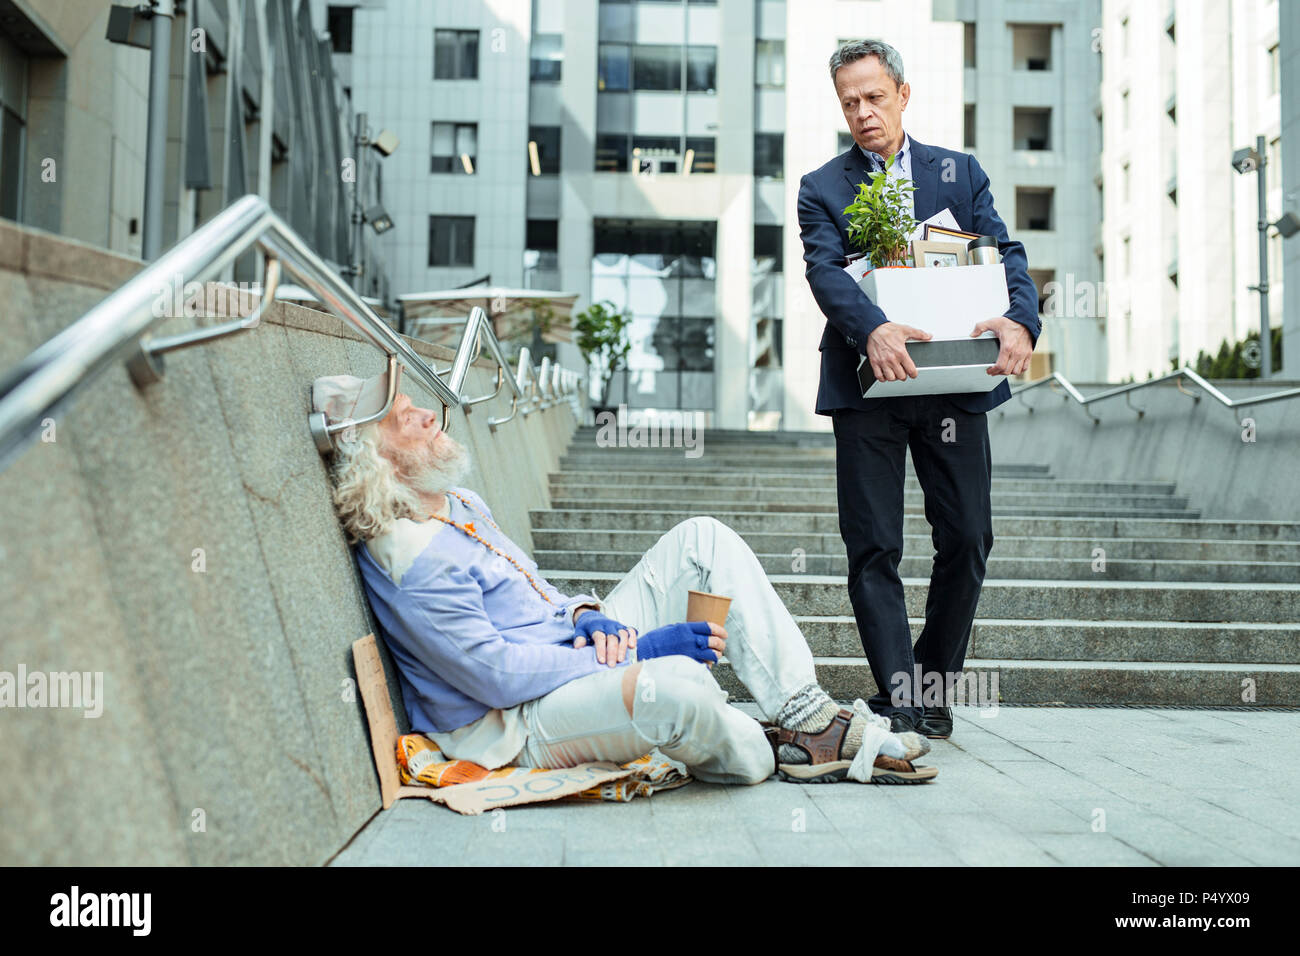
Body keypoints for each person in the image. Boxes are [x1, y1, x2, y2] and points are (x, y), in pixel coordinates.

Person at [312, 365, 939, 785]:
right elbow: (495, 675)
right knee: (676, 692)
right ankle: (762, 745)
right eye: (403, 417)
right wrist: (631, 651)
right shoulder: (409, 555)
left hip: (566, 655)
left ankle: (806, 718)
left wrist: (587, 616)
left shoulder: (458, 502)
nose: (427, 414)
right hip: (512, 724)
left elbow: (541, 596)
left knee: (702, 539)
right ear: (378, 458)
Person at [796, 39, 1041, 739]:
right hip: (866, 383)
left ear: (903, 93)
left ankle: (932, 683)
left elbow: (1005, 251)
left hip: (954, 385)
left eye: (874, 97)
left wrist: (1021, 321)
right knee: (873, 546)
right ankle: (901, 698)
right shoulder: (823, 186)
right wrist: (872, 328)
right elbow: (826, 272)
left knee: (967, 537)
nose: (864, 113)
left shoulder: (958, 174)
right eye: (850, 102)